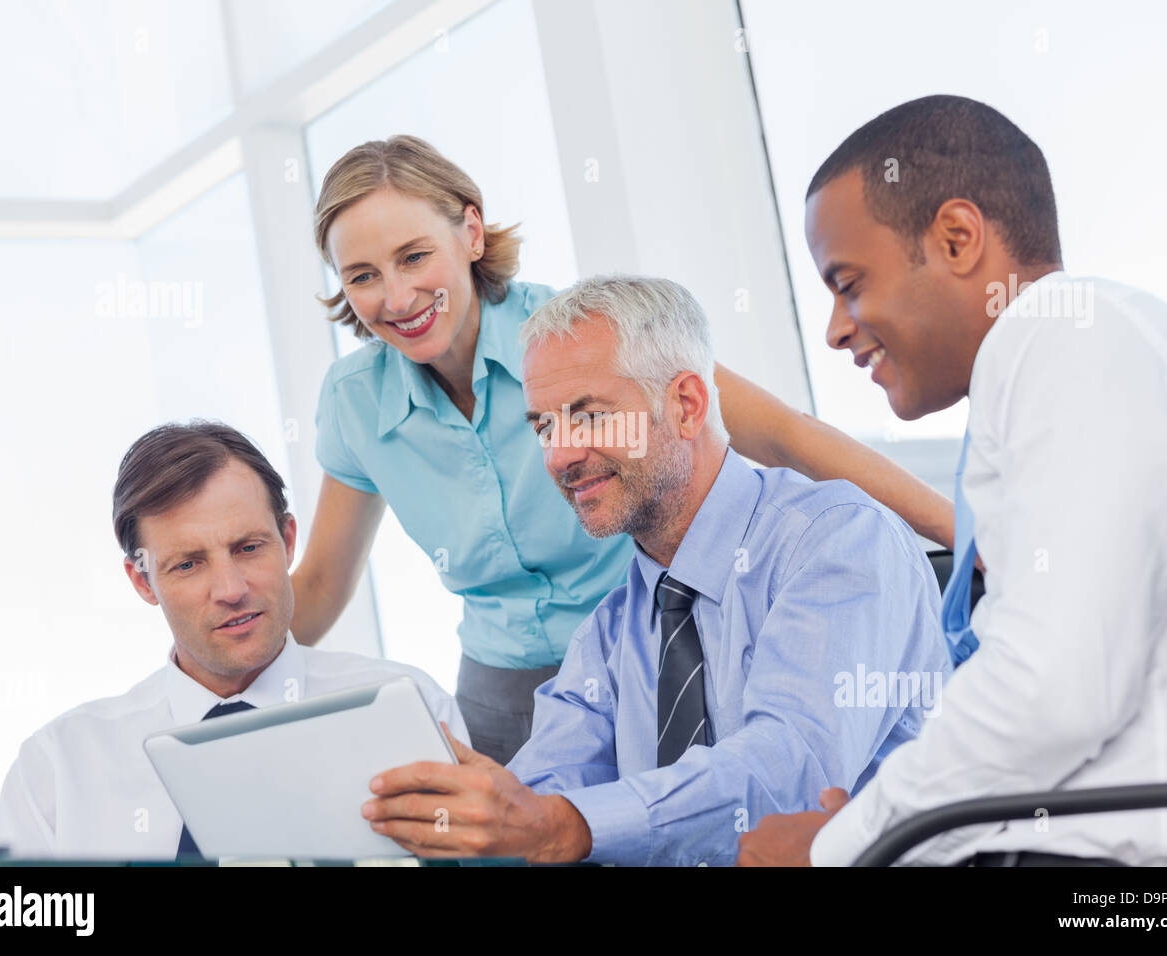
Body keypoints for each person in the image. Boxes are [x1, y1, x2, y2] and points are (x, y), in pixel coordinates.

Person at [292, 135, 957, 765]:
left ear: (470, 232)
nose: (397, 297)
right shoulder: (354, 403)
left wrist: (964, 532)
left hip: (644, 660)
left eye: (414, 257)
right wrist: (207, 679)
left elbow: (781, 434)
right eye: (363, 276)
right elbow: (321, 583)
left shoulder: (580, 340)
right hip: (499, 693)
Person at [737, 94, 1167, 867]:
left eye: (849, 283)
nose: (836, 329)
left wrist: (839, 847)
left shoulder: (1068, 334)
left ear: (957, 238)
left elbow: (1051, 694)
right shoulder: (1050, 361)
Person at [355, 275, 951, 865]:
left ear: (686, 405)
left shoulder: (837, 542)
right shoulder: (612, 630)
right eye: (543, 426)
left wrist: (562, 826)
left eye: (587, 415)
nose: (559, 455)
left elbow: (788, 770)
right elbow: (542, 794)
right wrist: (467, 817)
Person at [0, 421, 466, 860]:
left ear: (288, 539)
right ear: (143, 581)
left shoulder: (408, 709)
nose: (232, 590)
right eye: (189, 564)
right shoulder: (58, 766)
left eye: (249, 547)